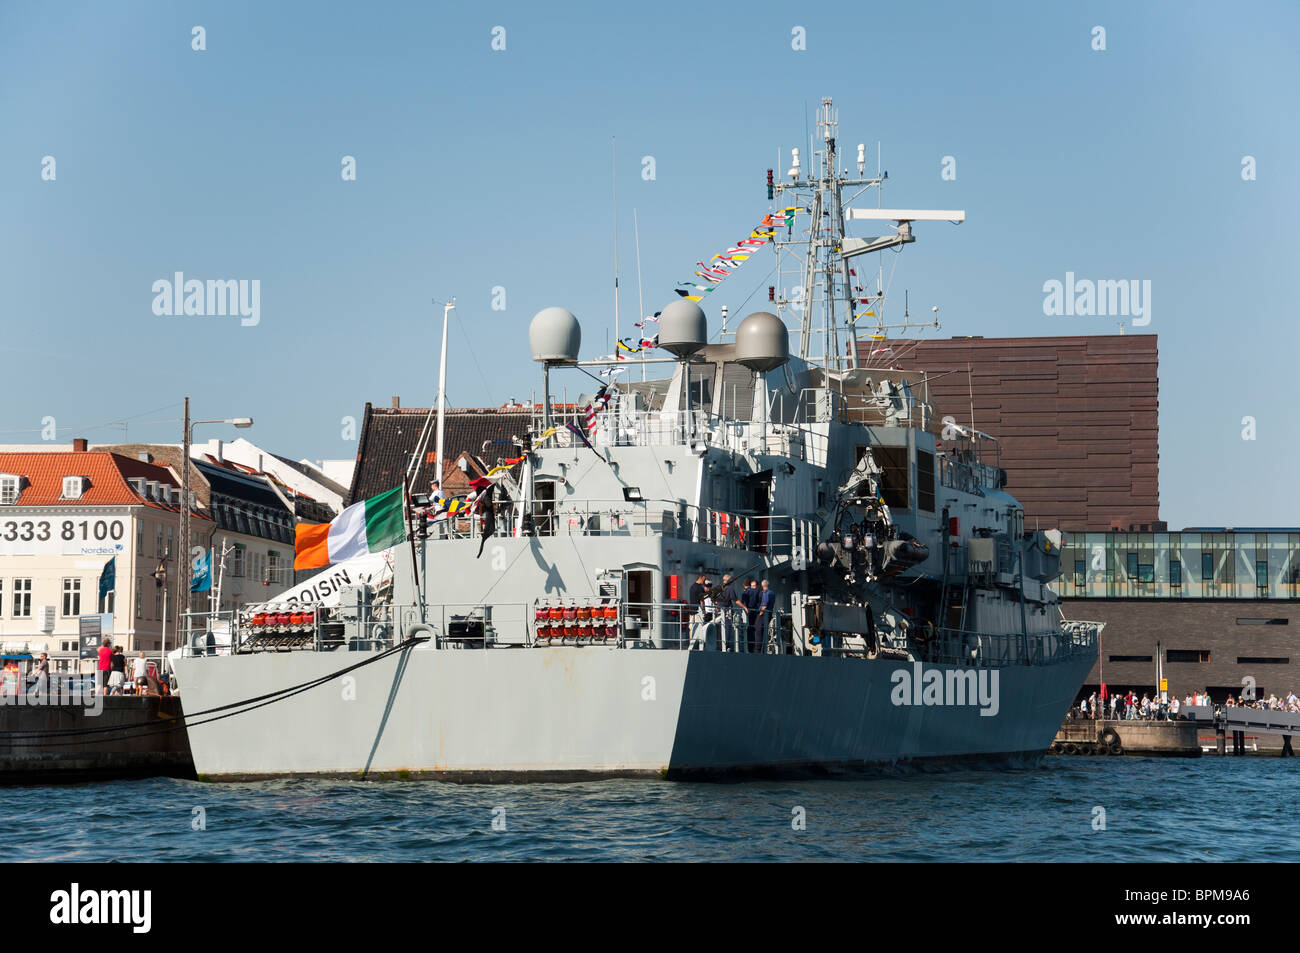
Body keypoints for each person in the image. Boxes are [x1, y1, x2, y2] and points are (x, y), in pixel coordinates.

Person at [718, 573, 742, 652]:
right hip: (726, 610)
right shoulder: (730, 589)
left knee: (720, 628)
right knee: (727, 628)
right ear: (729, 581)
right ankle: (726, 645)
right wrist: (744, 607)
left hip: (719, 610)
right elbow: (736, 600)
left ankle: (720, 645)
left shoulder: (720, 587)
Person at [754, 579, 775, 653]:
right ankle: (763, 648)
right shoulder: (771, 593)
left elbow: (764, 605)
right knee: (763, 630)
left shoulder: (765, 593)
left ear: (762, 586)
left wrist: (760, 614)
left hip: (763, 614)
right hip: (769, 614)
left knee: (758, 630)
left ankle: (758, 649)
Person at [742, 580, 761, 651]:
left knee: (750, 630)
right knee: (755, 630)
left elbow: (744, 602)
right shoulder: (759, 591)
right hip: (755, 613)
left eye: (754, 586)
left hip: (750, 613)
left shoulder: (747, 592)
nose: (754, 588)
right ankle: (755, 648)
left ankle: (751, 648)